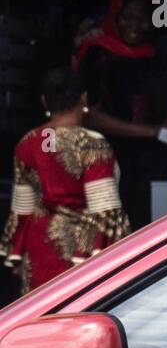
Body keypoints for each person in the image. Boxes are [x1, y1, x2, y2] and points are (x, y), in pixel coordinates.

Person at [1, 68, 130, 296]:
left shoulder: (27, 143)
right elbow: (106, 210)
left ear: (44, 101)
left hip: (38, 248)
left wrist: (17, 253)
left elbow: (22, 209)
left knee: (41, 314)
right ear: (84, 98)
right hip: (81, 252)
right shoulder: (92, 144)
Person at [72, 0, 167, 229]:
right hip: (110, 163)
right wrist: (151, 132)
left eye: (143, 18)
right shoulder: (98, 54)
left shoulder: (156, 56)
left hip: (154, 164)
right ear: (115, 14)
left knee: (153, 230)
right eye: (127, 17)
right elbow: (88, 115)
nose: (135, 25)